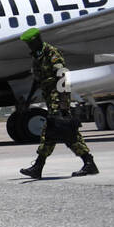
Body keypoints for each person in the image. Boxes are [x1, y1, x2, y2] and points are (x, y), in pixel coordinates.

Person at [18, 28, 99, 178]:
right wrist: (28, 101)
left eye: (30, 43)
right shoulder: (37, 56)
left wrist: (63, 102)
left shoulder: (51, 53)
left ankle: (38, 166)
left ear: (37, 40)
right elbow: (37, 80)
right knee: (64, 132)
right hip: (50, 96)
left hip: (58, 95)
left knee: (52, 130)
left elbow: (64, 76)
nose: (29, 46)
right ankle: (89, 163)